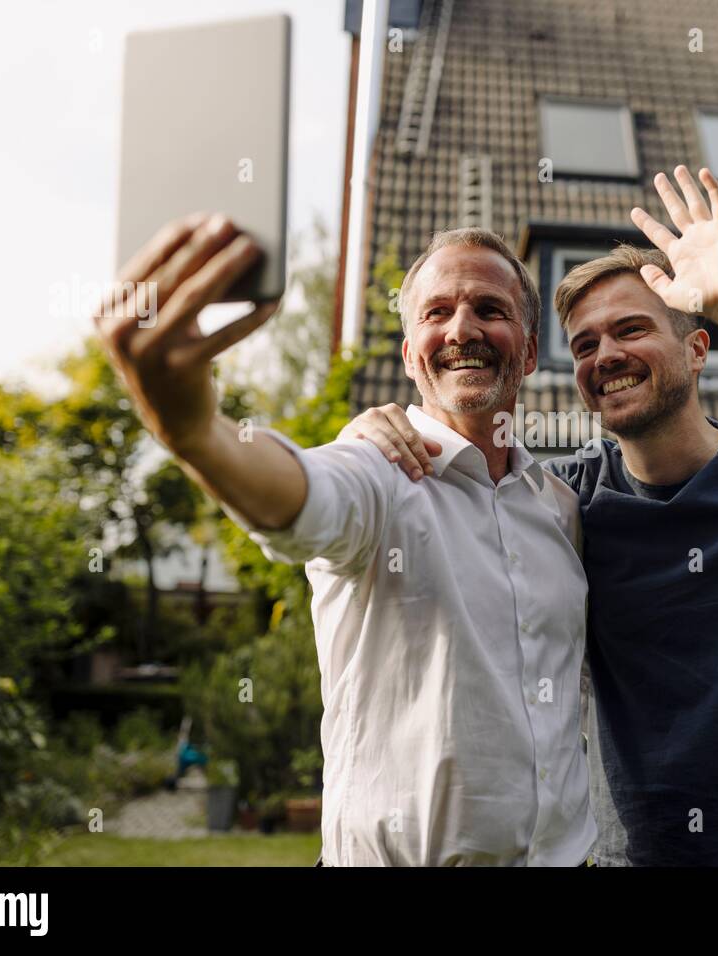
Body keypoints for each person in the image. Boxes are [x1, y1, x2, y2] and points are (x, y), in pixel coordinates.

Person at [345, 165, 718, 865]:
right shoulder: (563, 502)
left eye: (630, 329)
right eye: (584, 345)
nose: (606, 355)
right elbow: (459, 487)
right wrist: (375, 431)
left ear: (697, 350)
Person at [95, 215, 594, 866]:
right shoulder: (375, 475)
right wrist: (195, 431)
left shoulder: (561, 509)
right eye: (437, 312)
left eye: (489, 309)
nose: (463, 329)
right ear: (413, 354)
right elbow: (296, 490)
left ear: (528, 351)